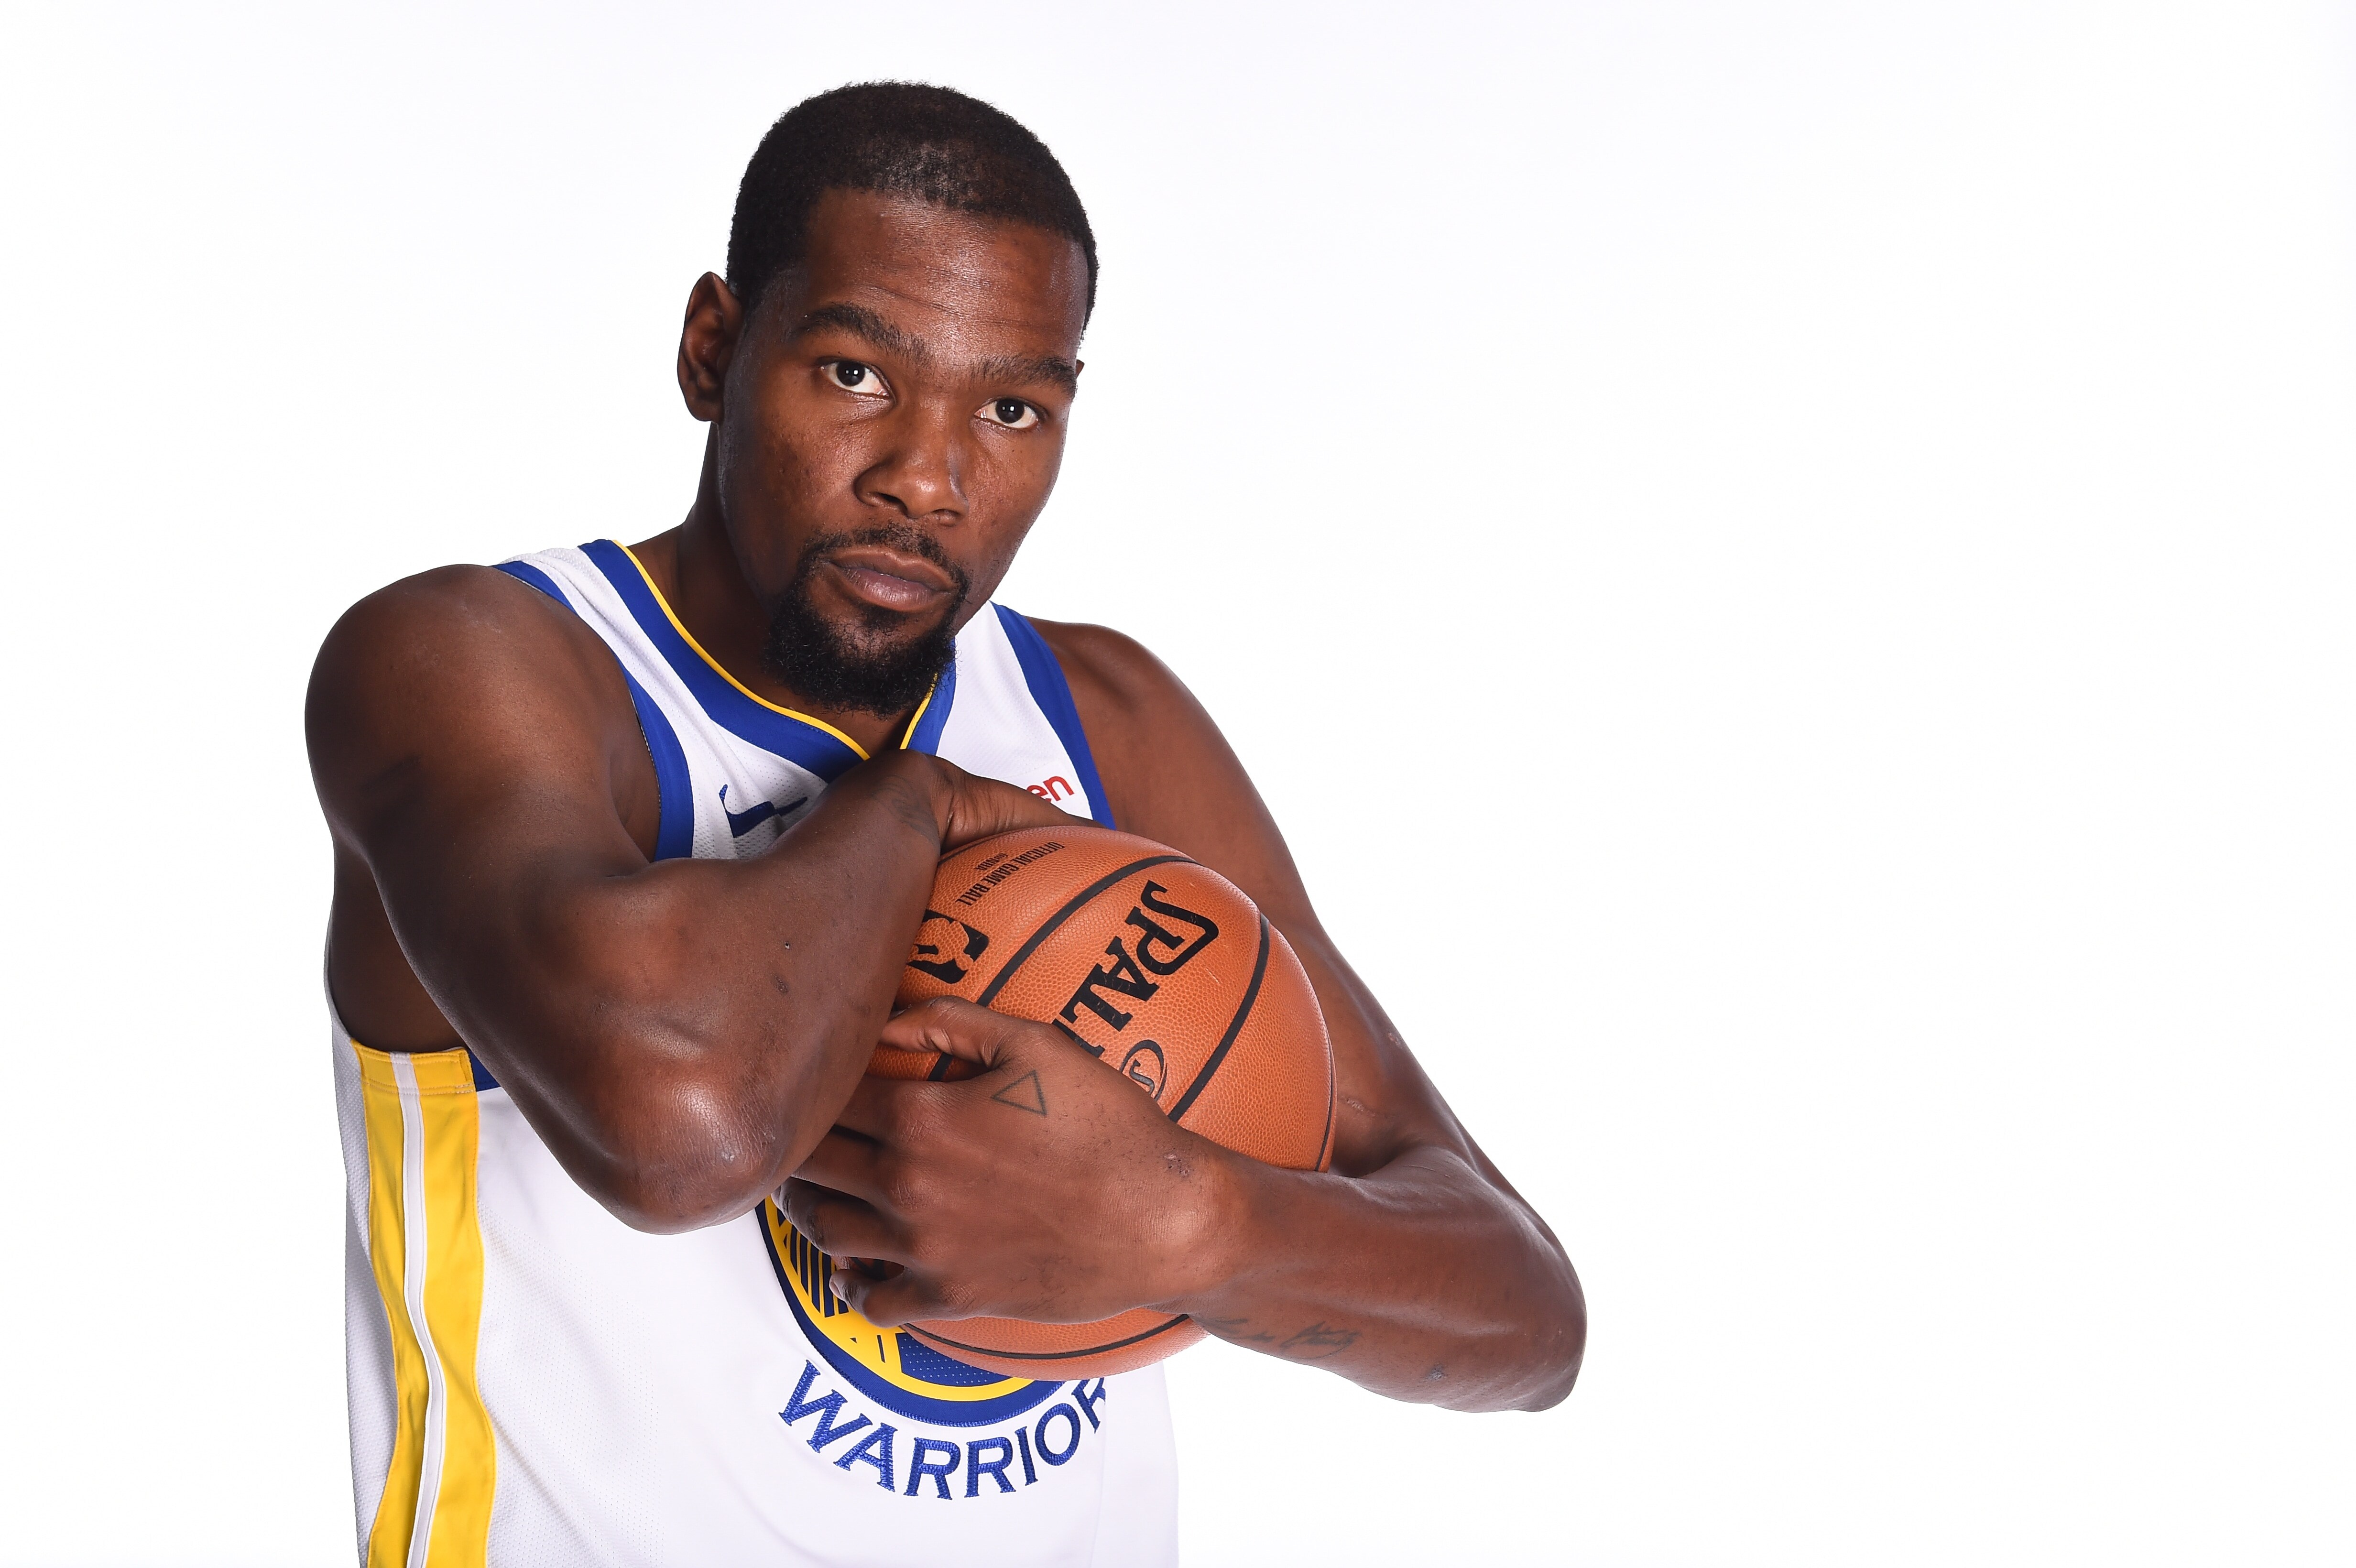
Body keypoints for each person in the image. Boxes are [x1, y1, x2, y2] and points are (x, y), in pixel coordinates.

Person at [306, 81, 1584, 1568]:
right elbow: (680, 1130)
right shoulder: (487, 667)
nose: (931, 478)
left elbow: (1523, 1310)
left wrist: (1191, 1229)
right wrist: (905, 807)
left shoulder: (1101, 717)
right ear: (716, 351)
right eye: (856, 374)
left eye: (1014, 407)